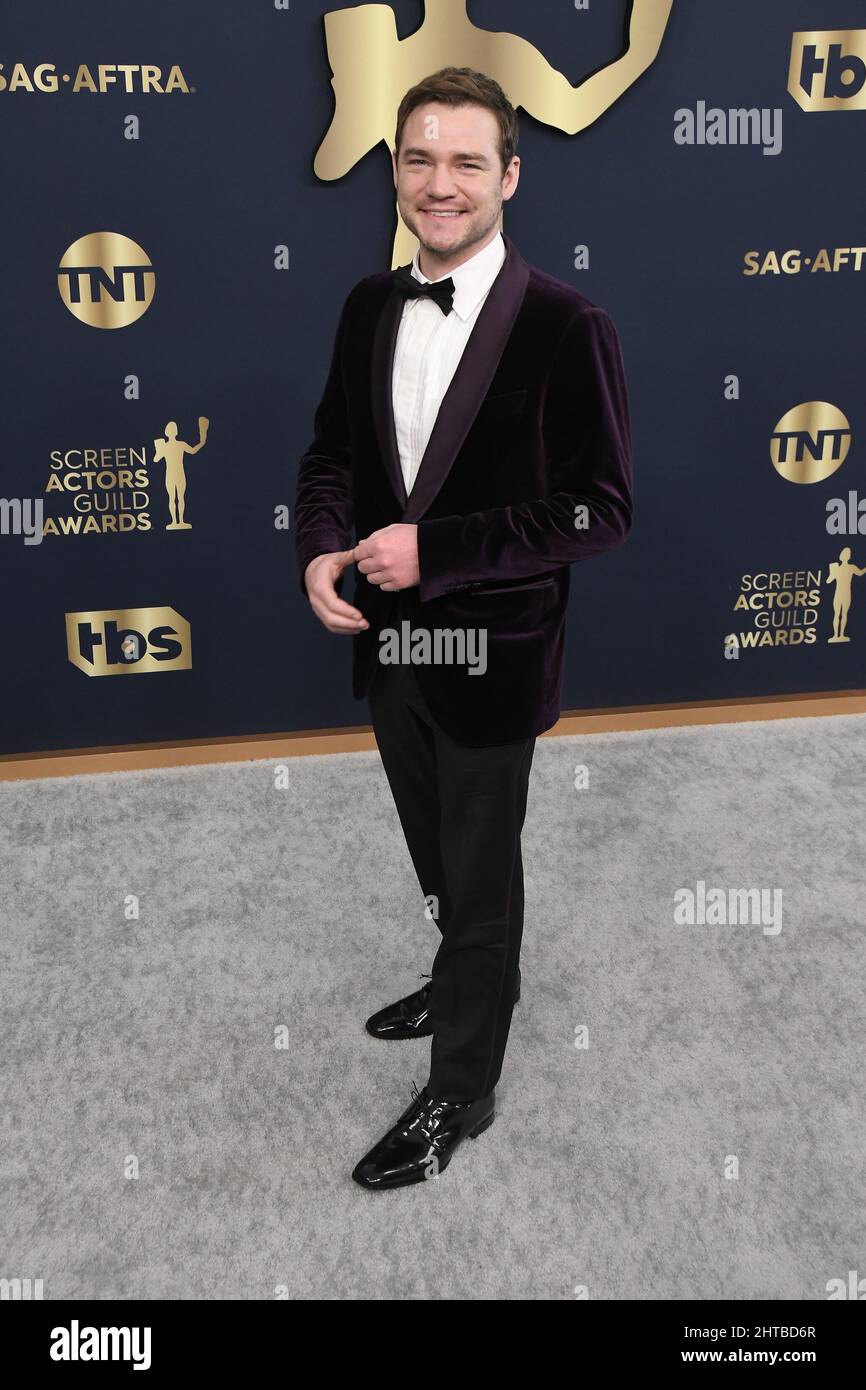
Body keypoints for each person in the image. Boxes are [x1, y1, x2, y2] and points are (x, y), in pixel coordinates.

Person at [295, 66, 633, 1190]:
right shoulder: (364, 304)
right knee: (436, 847)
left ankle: (461, 1092)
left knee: (482, 879)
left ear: (510, 177)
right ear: (396, 168)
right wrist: (321, 543)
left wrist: (436, 552)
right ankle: (461, 971)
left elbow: (597, 508)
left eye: (466, 163)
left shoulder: (565, 324)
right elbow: (335, 451)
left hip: (493, 651)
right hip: (388, 644)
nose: (439, 186)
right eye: (419, 159)